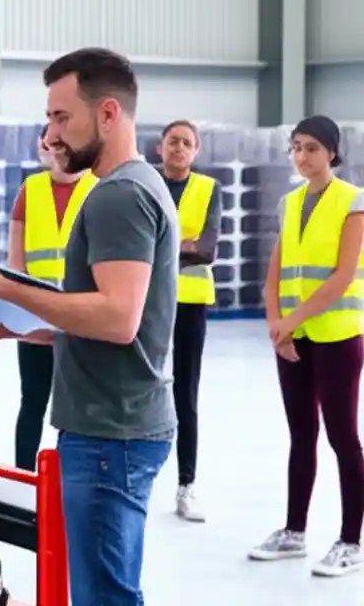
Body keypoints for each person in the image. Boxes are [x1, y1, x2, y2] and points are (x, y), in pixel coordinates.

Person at [0, 47, 178, 606]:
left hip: (109, 434)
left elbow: (119, 319)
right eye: (49, 117)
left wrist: (9, 289)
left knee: (104, 597)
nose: (51, 134)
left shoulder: (119, 196)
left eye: (61, 117)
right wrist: (20, 325)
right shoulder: (132, 187)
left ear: (108, 114)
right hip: (114, 427)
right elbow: (106, 314)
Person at [248, 115, 364, 577]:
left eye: (311, 147)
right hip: (294, 337)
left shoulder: (353, 202)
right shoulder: (289, 203)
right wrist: (275, 321)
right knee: (301, 435)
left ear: (332, 152)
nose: (301, 156)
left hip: (336, 335)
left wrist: (292, 319)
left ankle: (351, 540)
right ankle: (294, 533)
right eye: (295, 147)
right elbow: (276, 268)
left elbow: (341, 276)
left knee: (343, 438)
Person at [6, 129, 97, 470]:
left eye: (64, 137)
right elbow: (16, 264)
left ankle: (71, 482)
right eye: (50, 140)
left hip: (81, 320)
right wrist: (21, 315)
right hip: (35, 319)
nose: (57, 146)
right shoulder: (30, 191)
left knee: (77, 408)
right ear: (41, 145)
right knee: (32, 402)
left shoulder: (97, 188)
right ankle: (20, 481)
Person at [156, 119, 219, 522]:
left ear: (195, 151)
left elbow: (208, 248)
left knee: (186, 395)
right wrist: (184, 244)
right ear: (160, 147)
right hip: (147, 302)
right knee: (140, 387)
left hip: (191, 302)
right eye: (172, 141)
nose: (179, 148)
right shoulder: (146, 183)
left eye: (186, 143)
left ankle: (186, 485)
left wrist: (161, 246)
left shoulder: (208, 189)